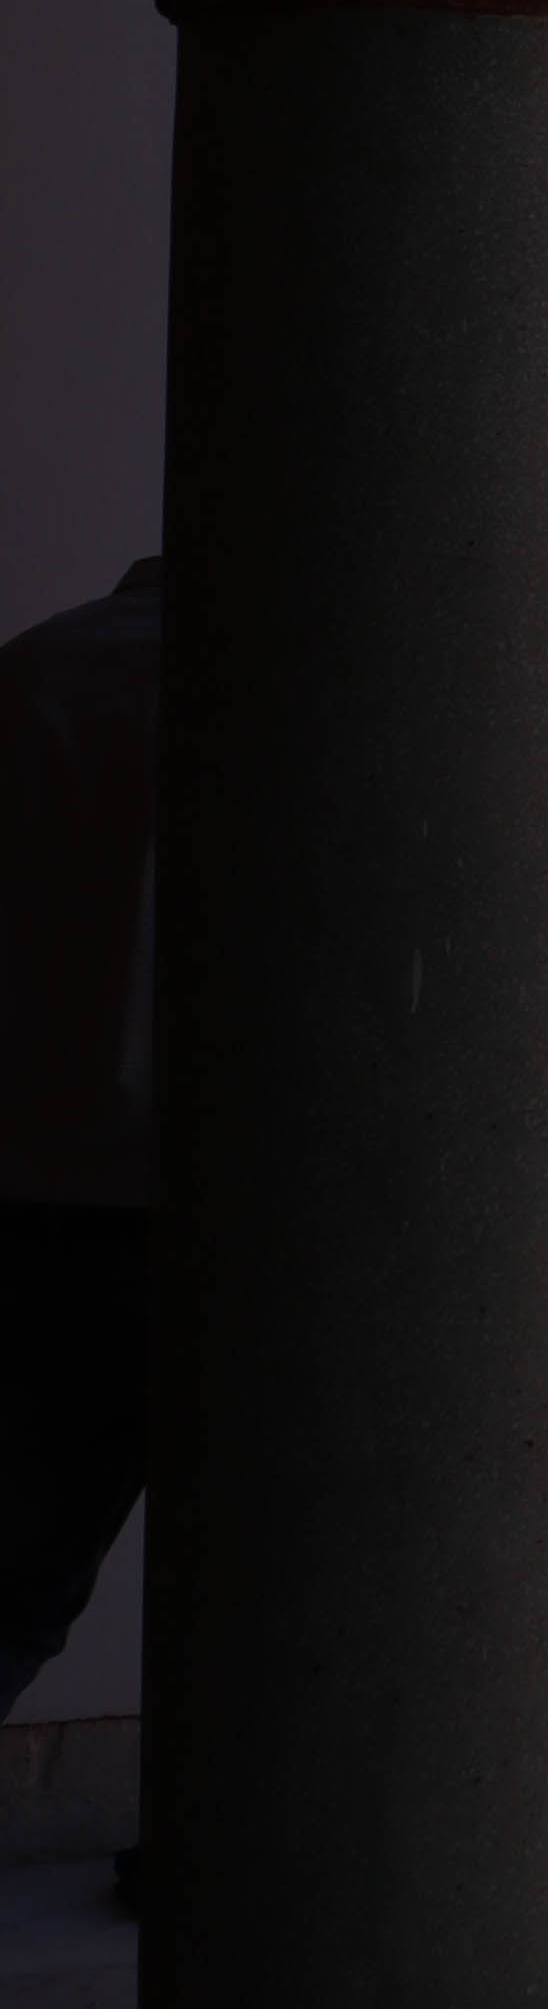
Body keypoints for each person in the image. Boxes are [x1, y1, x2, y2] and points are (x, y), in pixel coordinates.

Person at [0, 560, 160, 1744]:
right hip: (238, 1209)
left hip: (46, 1178)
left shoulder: (43, 666)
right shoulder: (356, 689)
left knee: (22, 1564)